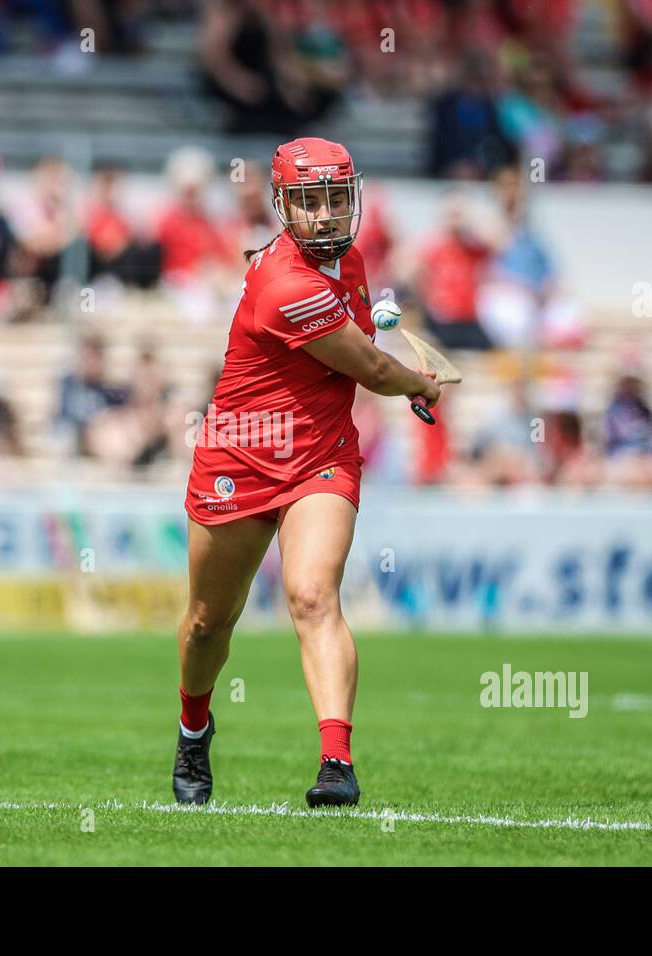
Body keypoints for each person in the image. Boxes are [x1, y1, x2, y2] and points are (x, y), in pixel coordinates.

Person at [173, 137, 442, 808]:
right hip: (238, 454)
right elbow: (372, 368)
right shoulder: (287, 285)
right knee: (209, 621)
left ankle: (336, 763)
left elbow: (356, 354)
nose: (324, 215)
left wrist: (392, 365)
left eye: (334, 199)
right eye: (308, 201)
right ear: (283, 206)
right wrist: (422, 384)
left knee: (314, 596)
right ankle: (193, 726)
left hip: (320, 456)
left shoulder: (348, 261)